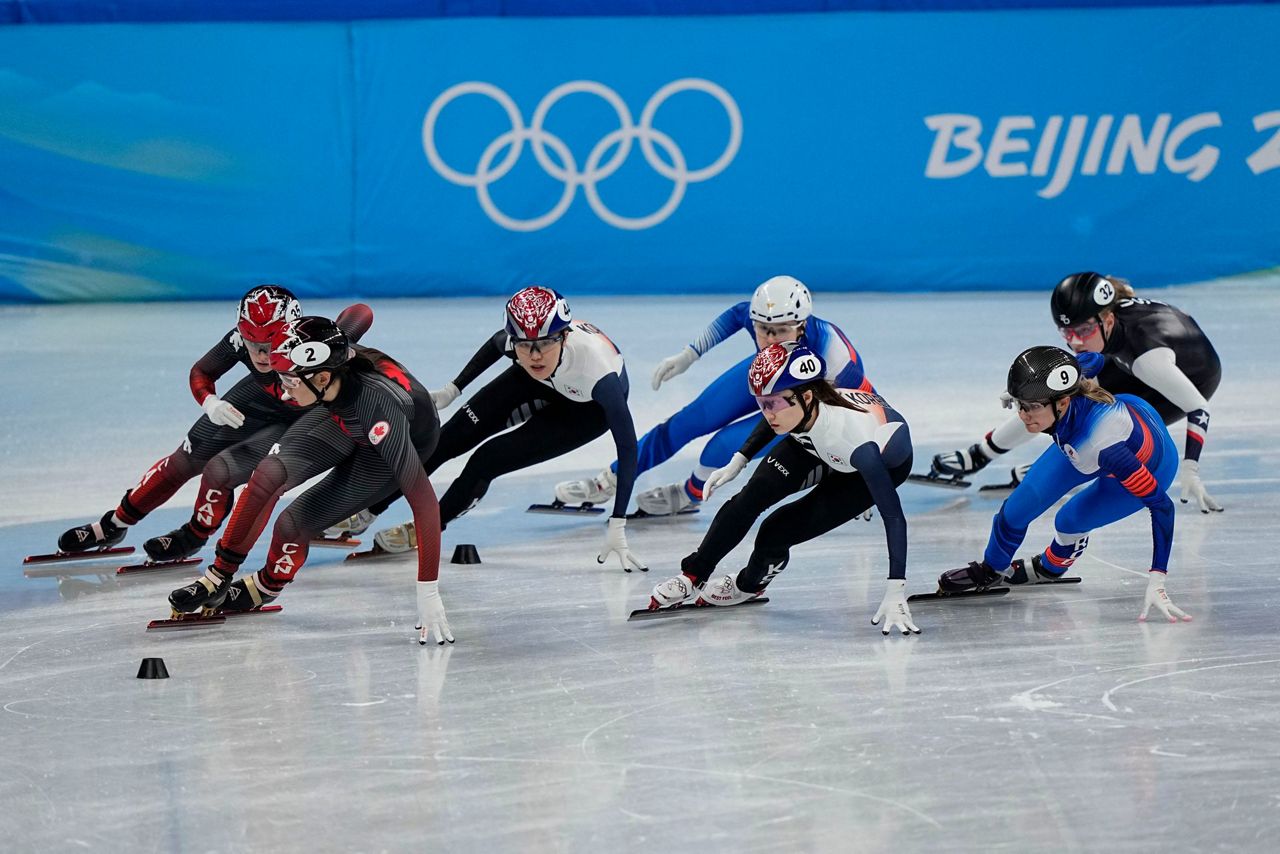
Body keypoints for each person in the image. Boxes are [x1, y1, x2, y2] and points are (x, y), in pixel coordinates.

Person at [166, 316, 453, 644]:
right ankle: (217, 578)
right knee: (268, 474)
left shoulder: (378, 409)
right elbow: (361, 312)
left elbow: (425, 503)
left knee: (292, 524)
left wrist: (428, 589)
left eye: (289, 381)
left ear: (321, 376)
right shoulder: (329, 360)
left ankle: (266, 585)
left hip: (387, 446)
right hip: (339, 414)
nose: (284, 392)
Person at [55, 286, 372, 560]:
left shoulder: (313, 344)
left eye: (269, 343)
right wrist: (210, 401)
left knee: (221, 472)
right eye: (251, 342)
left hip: (305, 416)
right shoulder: (237, 340)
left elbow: (362, 312)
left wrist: (340, 334)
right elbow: (202, 371)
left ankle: (194, 535)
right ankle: (113, 525)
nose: (260, 354)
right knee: (184, 459)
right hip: (260, 400)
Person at [352, 286, 646, 572]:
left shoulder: (600, 374)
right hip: (533, 383)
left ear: (564, 337)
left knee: (487, 459)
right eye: (523, 345)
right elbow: (495, 344)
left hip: (584, 411)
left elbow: (628, 448)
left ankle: (427, 528)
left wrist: (618, 521)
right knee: (443, 440)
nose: (534, 355)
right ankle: (366, 510)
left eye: (544, 344)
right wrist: (454, 389)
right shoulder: (527, 345)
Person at [647, 341, 919, 635]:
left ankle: (749, 585)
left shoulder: (855, 440)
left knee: (775, 532)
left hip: (873, 468)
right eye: (761, 403)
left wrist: (896, 590)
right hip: (814, 442)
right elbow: (773, 417)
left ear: (806, 396)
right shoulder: (799, 408)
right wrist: (739, 460)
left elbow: (894, 518)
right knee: (748, 499)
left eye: (772, 404)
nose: (767, 413)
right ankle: (693, 574)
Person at [552, 275, 875, 517]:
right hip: (767, 374)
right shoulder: (755, 317)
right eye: (762, 329)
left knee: (722, 445)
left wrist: (852, 472)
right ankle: (609, 481)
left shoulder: (834, 355)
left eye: (780, 331)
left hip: (811, 401)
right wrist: (688, 355)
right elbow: (732, 318)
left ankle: (691, 493)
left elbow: (853, 406)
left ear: (802, 326)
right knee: (686, 422)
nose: (769, 337)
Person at [936, 346, 1191, 623]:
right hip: (1087, 435)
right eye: (1021, 404)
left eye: (1032, 406)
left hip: (1151, 462)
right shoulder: (1069, 379)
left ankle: (1050, 568)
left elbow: (1162, 506)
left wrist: (1157, 578)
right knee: (1016, 509)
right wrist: (1024, 390)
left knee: (1068, 521)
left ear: (1063, 403)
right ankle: (991, 569)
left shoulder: (1104, 446)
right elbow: (1094, 358)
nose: (1023, 415)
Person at [930, 272, 1223, 512]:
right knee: (1053, 392)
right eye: (1065, 333)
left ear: (1107, 321)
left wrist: (1191, 467)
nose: (1074, 342)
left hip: (1194, 377)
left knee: (1106, 419)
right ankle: (979, 455)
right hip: (1137, 353)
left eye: (1082, 332)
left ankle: (1072, 467)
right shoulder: (1105, 322)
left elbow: (1198, 407)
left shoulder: (1148, 359)